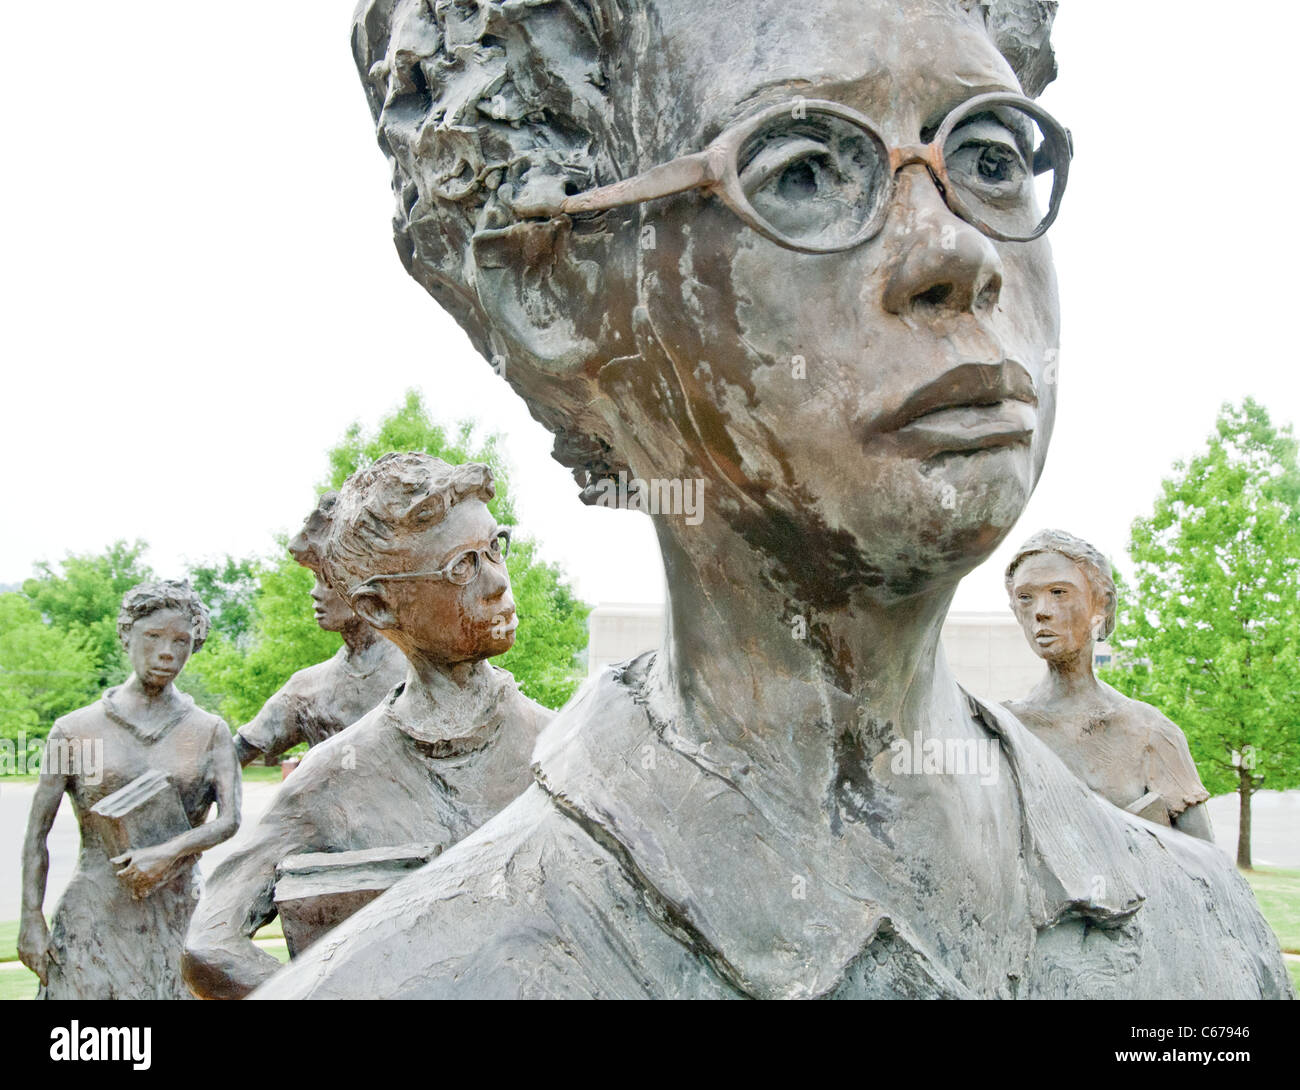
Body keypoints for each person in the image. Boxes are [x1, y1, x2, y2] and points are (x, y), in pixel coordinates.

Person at [255, 0, 1290, 999]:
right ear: (554, 293)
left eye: (989, 157)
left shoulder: (1208, 938)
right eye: (801, 168)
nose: (954, 252)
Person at [184, 453, 552, 999]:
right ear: (379, 606)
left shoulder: (564, 747)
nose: (497, 582)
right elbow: (208, 943)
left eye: (495, 548)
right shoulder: (331, 778)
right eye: (461, 566)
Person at [18, 580, 241, 999]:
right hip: (93, 914)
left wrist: (168, 852)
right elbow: (36, 836)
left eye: (181, 641)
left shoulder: (209, 730)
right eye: (153, 637)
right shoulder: (74, 730)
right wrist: (31, 917)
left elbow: (230, 820)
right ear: (127, 636)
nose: (167, 653)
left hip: (177, 914)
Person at [1003, 529, 1213, 839]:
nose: (1041, 611)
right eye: (1025, 597)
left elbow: (1206, 868)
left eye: (1059, 592)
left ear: (1101, 605)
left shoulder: (1151, 733)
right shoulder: (1004, 729)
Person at [233, 491, 404, 766]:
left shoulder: (421, 673)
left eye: (326, 580)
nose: (314, 593)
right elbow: (231, 757)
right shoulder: (306, 689)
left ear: (366, 585)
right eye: (315, 579)